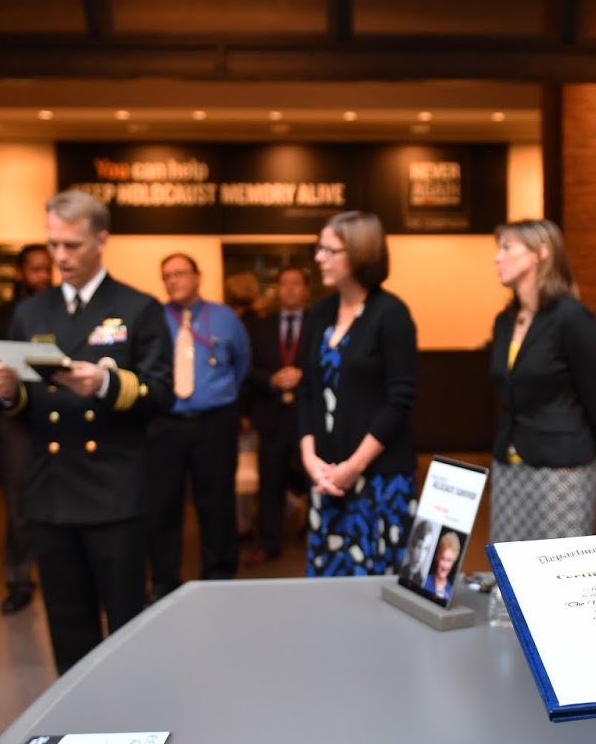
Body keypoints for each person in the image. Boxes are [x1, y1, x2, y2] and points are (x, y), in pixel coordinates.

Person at [0, 189, 173, 675]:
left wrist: (104, 383)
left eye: (72, 245)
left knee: (126, 622)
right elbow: (29, 407)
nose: (60, 257)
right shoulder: (33, 311)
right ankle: (76, 732)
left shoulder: (137, 307)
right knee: (67, 625)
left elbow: (162, 395)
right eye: (53, 245)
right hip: (52, 490)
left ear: (101, 240)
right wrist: (7, 392)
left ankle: (130, 721)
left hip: (114, 491)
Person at [297, 211, 417, 576]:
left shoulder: (391, 314)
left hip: (379, 478)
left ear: (360, 254)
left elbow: (401, 399)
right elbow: (307, 391)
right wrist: (310, 460)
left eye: (330, 250)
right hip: (328, 479)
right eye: (319, 249)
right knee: (328, 594)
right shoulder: (320, 313)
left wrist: (354, 467)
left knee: (378, 590)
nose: (319, 258)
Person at [487, 219, 596, 545]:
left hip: (563, 466)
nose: (497, 258)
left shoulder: (571, 318)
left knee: (558, 570)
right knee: (509, 565)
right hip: (509, 461)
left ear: (541, 253)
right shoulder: (504, 321)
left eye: (507, 248)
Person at [147, 253, 250, 596]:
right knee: (163, 504)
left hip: (214, 422)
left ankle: (219, 577)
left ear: (198, 276)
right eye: (167, 276)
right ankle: (164, 581)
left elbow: (242, 363)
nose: (173, 280)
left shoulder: (225, 318)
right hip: (166, 424)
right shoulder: (154, 319)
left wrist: (217, 394)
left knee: (217, 502)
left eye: (179, 273)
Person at [0, 244, 54, 614]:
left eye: (47, 269)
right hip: (17, 421)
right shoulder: (1, 317)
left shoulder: (63, 312)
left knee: (64, 497)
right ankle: (20, 579)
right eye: (35, 269)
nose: (42, 276)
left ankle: (62, 575)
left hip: (61, 416)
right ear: (20, 274)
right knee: (19, 503)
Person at [242, 264, 311, 565]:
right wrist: (271, 379)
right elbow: (247, 368)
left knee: (315, 477)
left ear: (306, 289)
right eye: (284, 284)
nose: (290, 289)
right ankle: (269, 541)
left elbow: (331, 366)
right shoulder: (260, 326)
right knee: (270, 481)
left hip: (308, 415)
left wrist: (303, 376)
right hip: (271, 414)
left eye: (296, 284)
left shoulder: (320, 325)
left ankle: (316, 532)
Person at [422, 531, 461, 601]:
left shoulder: (451, 591)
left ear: (453, 562)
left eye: (449, 560)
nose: (445, 566)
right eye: (443, 559)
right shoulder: (423, 581)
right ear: (437, 557)